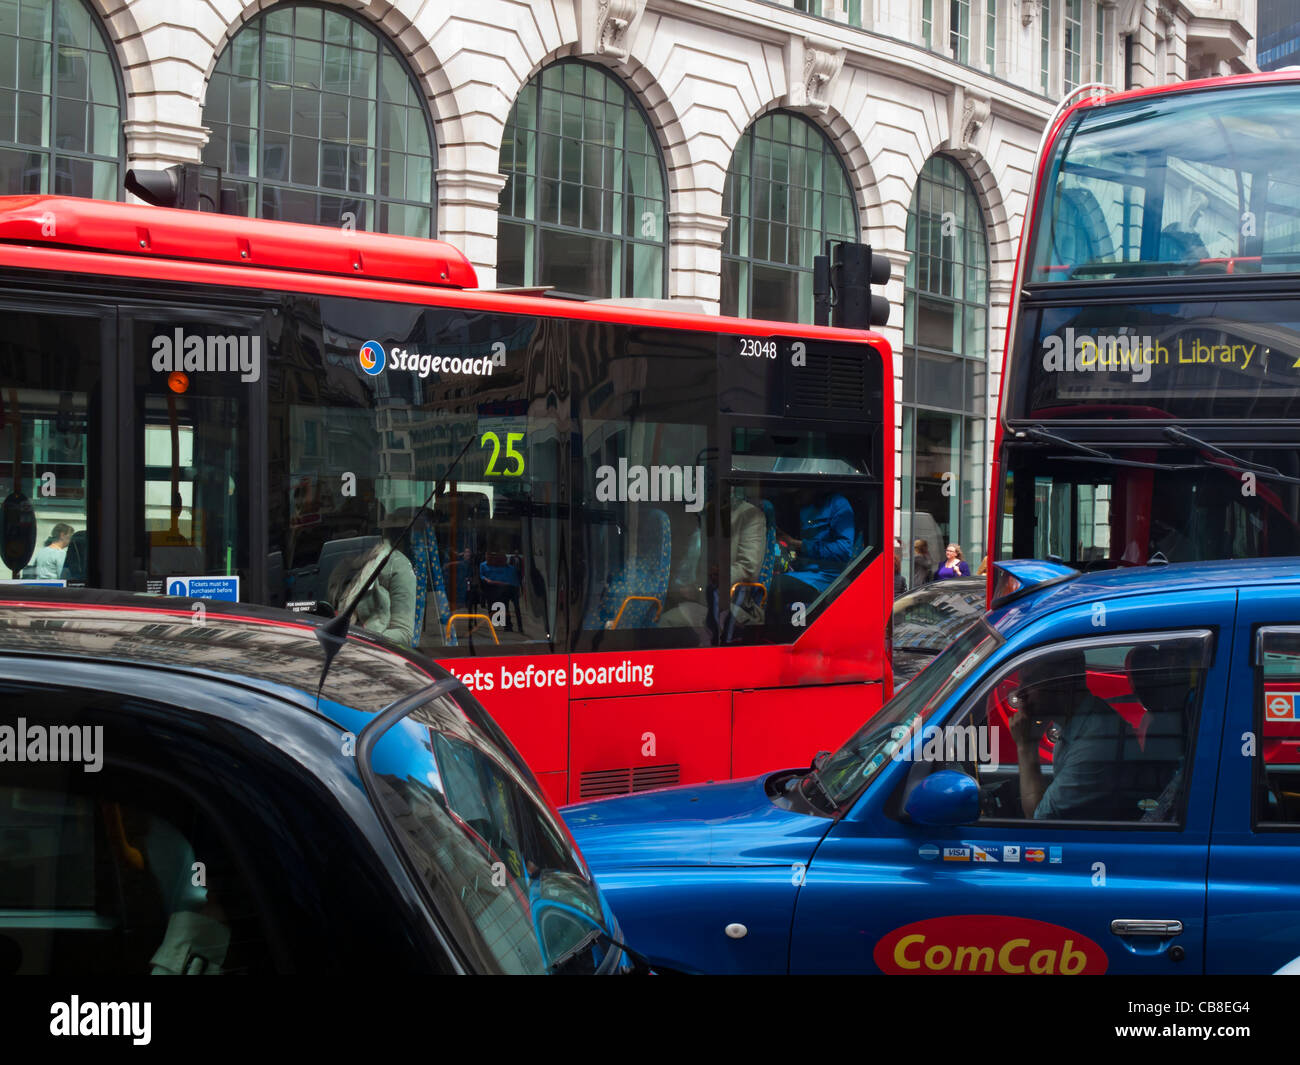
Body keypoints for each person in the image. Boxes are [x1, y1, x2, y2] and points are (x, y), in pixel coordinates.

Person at [1008, 650, 1128, 819]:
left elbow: (1039, 820)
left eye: (1031, 682)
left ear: (1061, 683)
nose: (1020, 693)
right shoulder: (1079, 723)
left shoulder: (1095, 741)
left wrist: (1026, 746)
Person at [327, 536, 418, 646]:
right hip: (331, 644)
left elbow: (403, 633)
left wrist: (356, 643)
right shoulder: (343, 567)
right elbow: (328, 610)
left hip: (369, 652)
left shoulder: (396, 565)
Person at [774, 492, 855, 607]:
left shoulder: (837, 504)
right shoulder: (798, 507)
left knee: (775, 587)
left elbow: (843, 550)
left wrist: (797, 544)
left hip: (825, 577)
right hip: (801, 570)